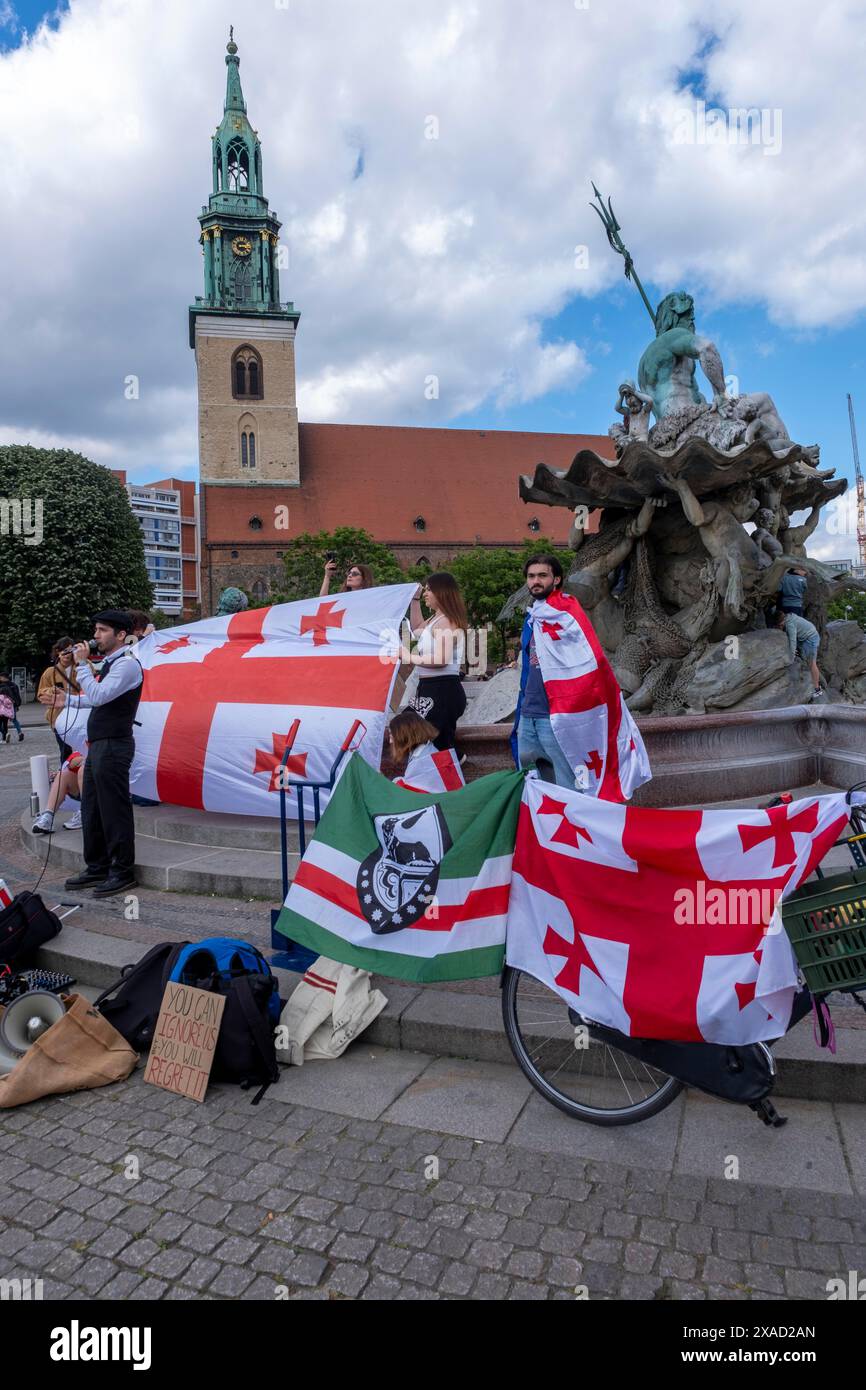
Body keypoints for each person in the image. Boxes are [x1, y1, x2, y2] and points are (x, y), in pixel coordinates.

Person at [49, 610, 143, 897]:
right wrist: (70, 700)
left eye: (103, 630)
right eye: (97, 629)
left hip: (114, 744)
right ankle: (97, 865)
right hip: (99, 744)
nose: (96, 635)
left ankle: (122, 869)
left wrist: (81, 666)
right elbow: (97, 698)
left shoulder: (127, 665)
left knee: (114, 808)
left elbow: (102, 695)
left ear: (121, 635)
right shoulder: (110, 664)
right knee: (91, 807)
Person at [513, 554, 577, 787]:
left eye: (542, 575)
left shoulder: (568, 615)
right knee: (530, 785)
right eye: (531, 576)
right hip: (529, 712)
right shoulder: (532, 617)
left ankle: (572, 824)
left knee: (565, 785)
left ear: (556, 579)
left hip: (555, 715)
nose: (535, 581)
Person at [403, 572, 467, 751]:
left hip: (443, 690)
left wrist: (408, 657)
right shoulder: (435, 619)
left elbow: (441, 660)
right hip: (429, 688)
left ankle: (456, 765)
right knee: (408, 730)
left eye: (429, 590)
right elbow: (416, 629)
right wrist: (414, 600)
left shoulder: (447, 622)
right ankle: (455, 761)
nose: (425, 593)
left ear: (442, 592)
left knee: (427, 742)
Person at [387, 709, 465, 792]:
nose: (390, 741)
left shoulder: (422, 760)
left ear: (404, 736)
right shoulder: (426, 751)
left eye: (392, 735)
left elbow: (411, 792)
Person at [37, 638, 83, 759]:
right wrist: (52, 691)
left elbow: (92, 687)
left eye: (70, 650)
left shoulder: (82, 667)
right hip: (58, 717)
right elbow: (41, 694)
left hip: (80, 715)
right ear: (58, 652)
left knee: (83, 750)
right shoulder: (50, 672)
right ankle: (66, 774)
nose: (67, 654)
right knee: (65, 751)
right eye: (64, 650)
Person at [770, 607, 823, 702]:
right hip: (805, 636)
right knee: (804, 658)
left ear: (782, 622)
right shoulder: (789, 617)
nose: (779, 628)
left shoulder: (790, 624)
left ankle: (817, 689)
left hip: (810, 639)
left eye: (779, 625)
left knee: (812, 664)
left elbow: (793, 641)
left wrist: (791, 658)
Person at [31, 750, 85, 833]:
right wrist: (86, 758)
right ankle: (48, 816)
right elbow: (71, 763)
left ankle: (85, 812)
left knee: (83, 770)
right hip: (85, 787)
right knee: (62, 775)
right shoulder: (82, 741)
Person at [0, 673, 24, 742]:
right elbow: (17, 696)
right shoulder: (14, 685)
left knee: (2, 721)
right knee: (14, 719)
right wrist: (17, 705)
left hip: (3, 706)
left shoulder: (2, 685)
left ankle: (5, 734)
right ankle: (20, 733)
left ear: (4, 677)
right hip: (12, 705)